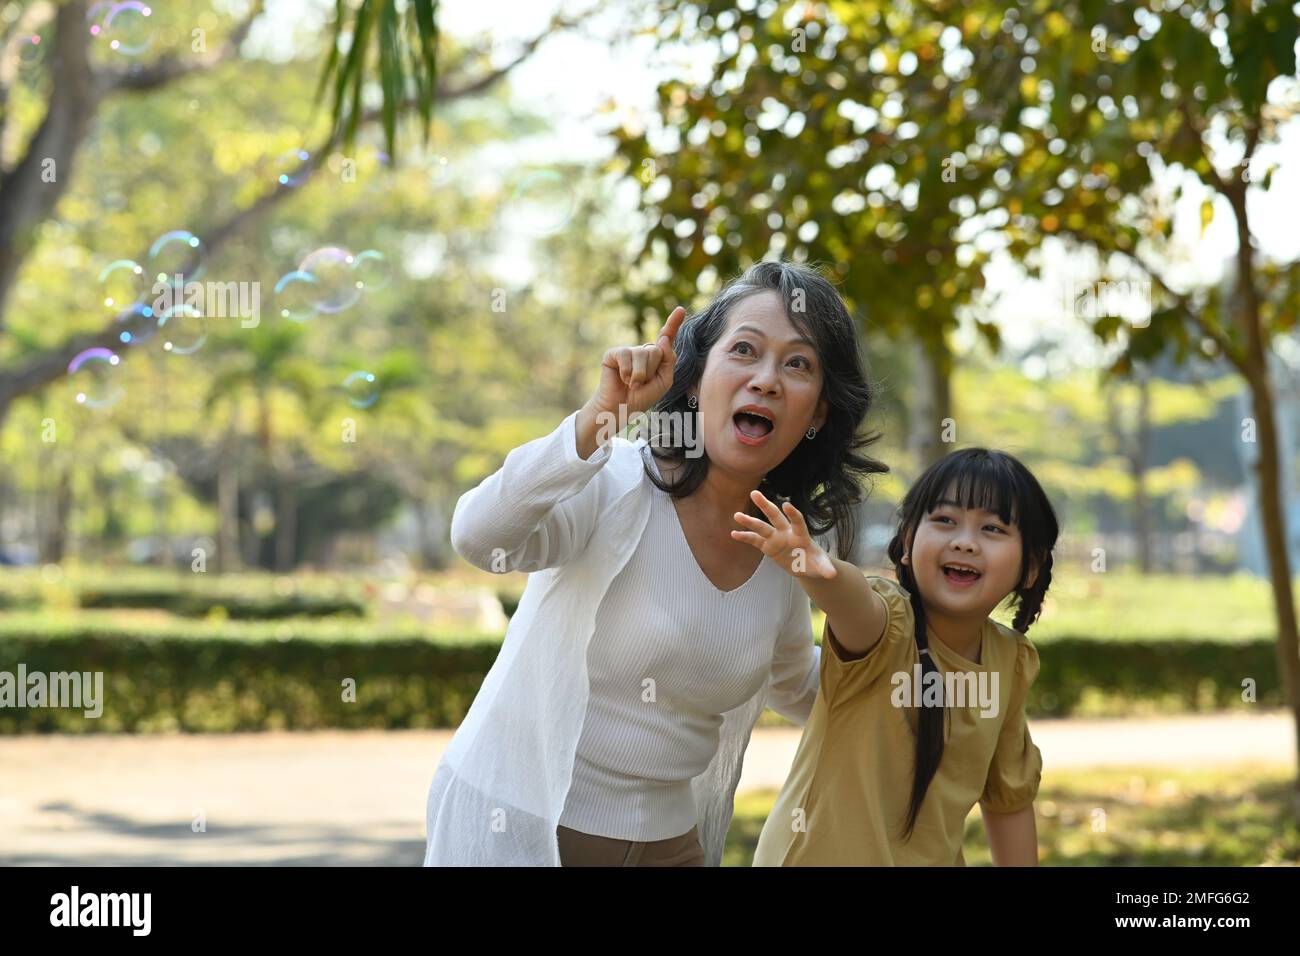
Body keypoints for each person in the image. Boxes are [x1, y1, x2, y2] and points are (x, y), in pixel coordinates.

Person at [423, 261, 888, 865]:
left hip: (670, 844)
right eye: (744, 350)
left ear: (818, 414)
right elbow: (480, 538)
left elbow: (799, 684)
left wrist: (927, 669)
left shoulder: (783, 549)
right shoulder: (614, 480)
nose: (767, 379)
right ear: (696, 381)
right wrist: (598, 418)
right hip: (527, 827)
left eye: (797, 364)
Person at [741, 447, 1059, 865]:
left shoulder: (1008, 661)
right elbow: (854, 600)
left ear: (1030, 566)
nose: (964, 542)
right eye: (944, 520)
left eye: (993, 529)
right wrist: (817, 568)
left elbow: (1008, 799)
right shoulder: (888, 625)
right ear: (908, 542)